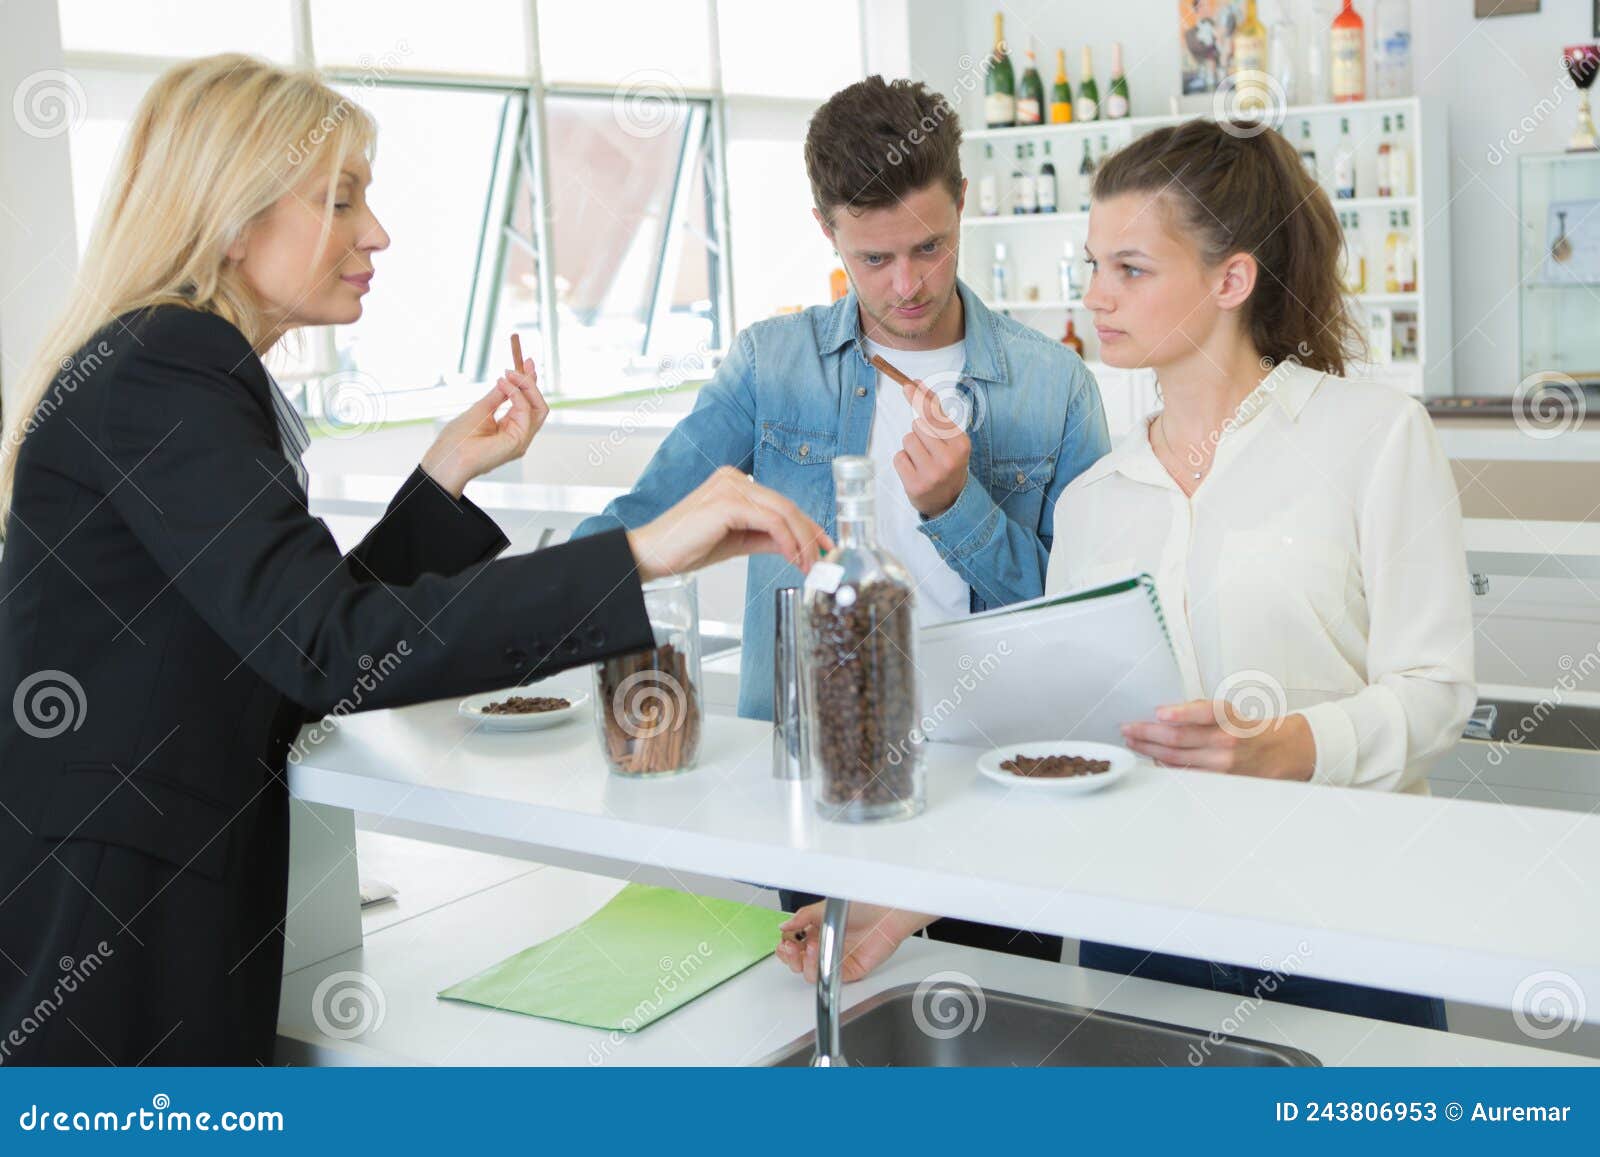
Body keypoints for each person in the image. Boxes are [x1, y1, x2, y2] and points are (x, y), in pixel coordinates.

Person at [0, 55, 829, 1066]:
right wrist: (639, 554)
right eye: (340, 199)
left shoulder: (169, 365)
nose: (376, 233)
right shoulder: (171, 368)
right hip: (119, 910)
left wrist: (440, 482)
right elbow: (327, 648)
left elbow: (280, 630)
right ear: (233, 215)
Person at [777, 118, 1474, 1032]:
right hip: (1136, 931)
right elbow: (1067, 750)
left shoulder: (1374, 437)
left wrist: (1289, 745)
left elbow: (1437, 696)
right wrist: (903, 900)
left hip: (1339, 918)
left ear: (1231, 280)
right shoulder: (1097, 498)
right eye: (1093, 264)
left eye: (1130, 270)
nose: (1095, 295)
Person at [572, 76, 1109, 967]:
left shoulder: (1055, 387)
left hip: (998, 785)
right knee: (837, 1019)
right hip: (820, 781)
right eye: (874, 259)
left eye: (931, 247)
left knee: (1001, 1052)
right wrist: (493, 612)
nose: (907, 285)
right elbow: (638, 522)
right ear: (827, 231)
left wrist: (958, 510)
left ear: (965, 201)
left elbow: (1085, 616)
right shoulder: (771, 366)